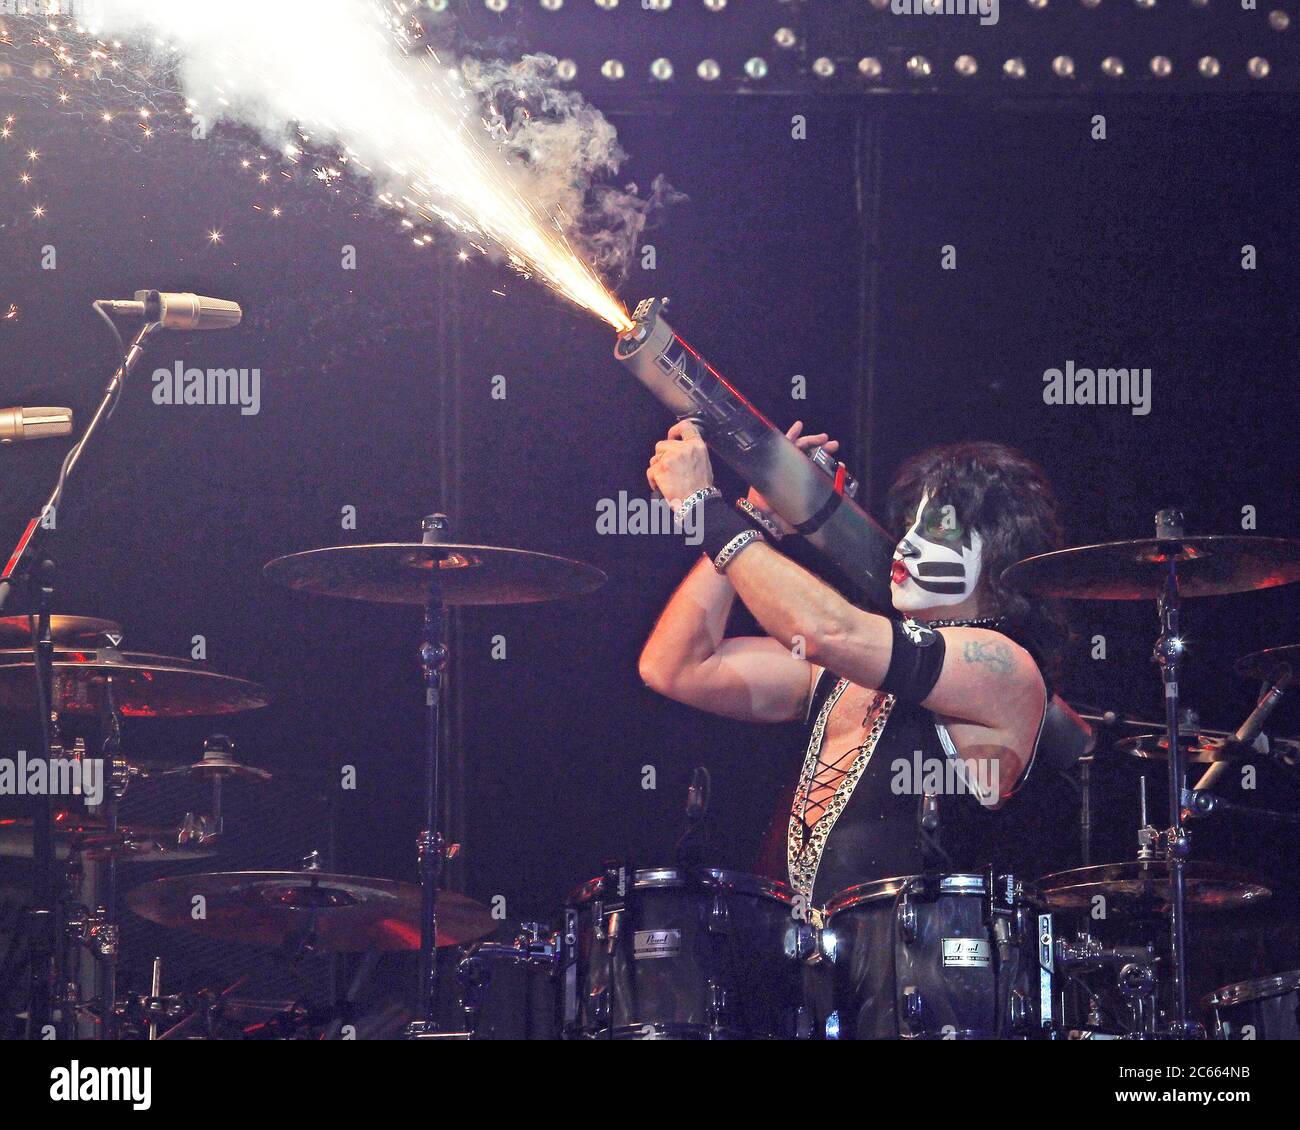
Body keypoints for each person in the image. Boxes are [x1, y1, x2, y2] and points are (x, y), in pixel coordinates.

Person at [638, 420, 1067, 908]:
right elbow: (676, 665)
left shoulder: (1002, 665)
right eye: (909, 526)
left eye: (937, 529)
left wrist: (704, 511)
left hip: (926, 973)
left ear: (999, 550)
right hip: (812, 963)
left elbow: (828, 632)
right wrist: (757, 516)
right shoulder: (844, 673)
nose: (905, 545)